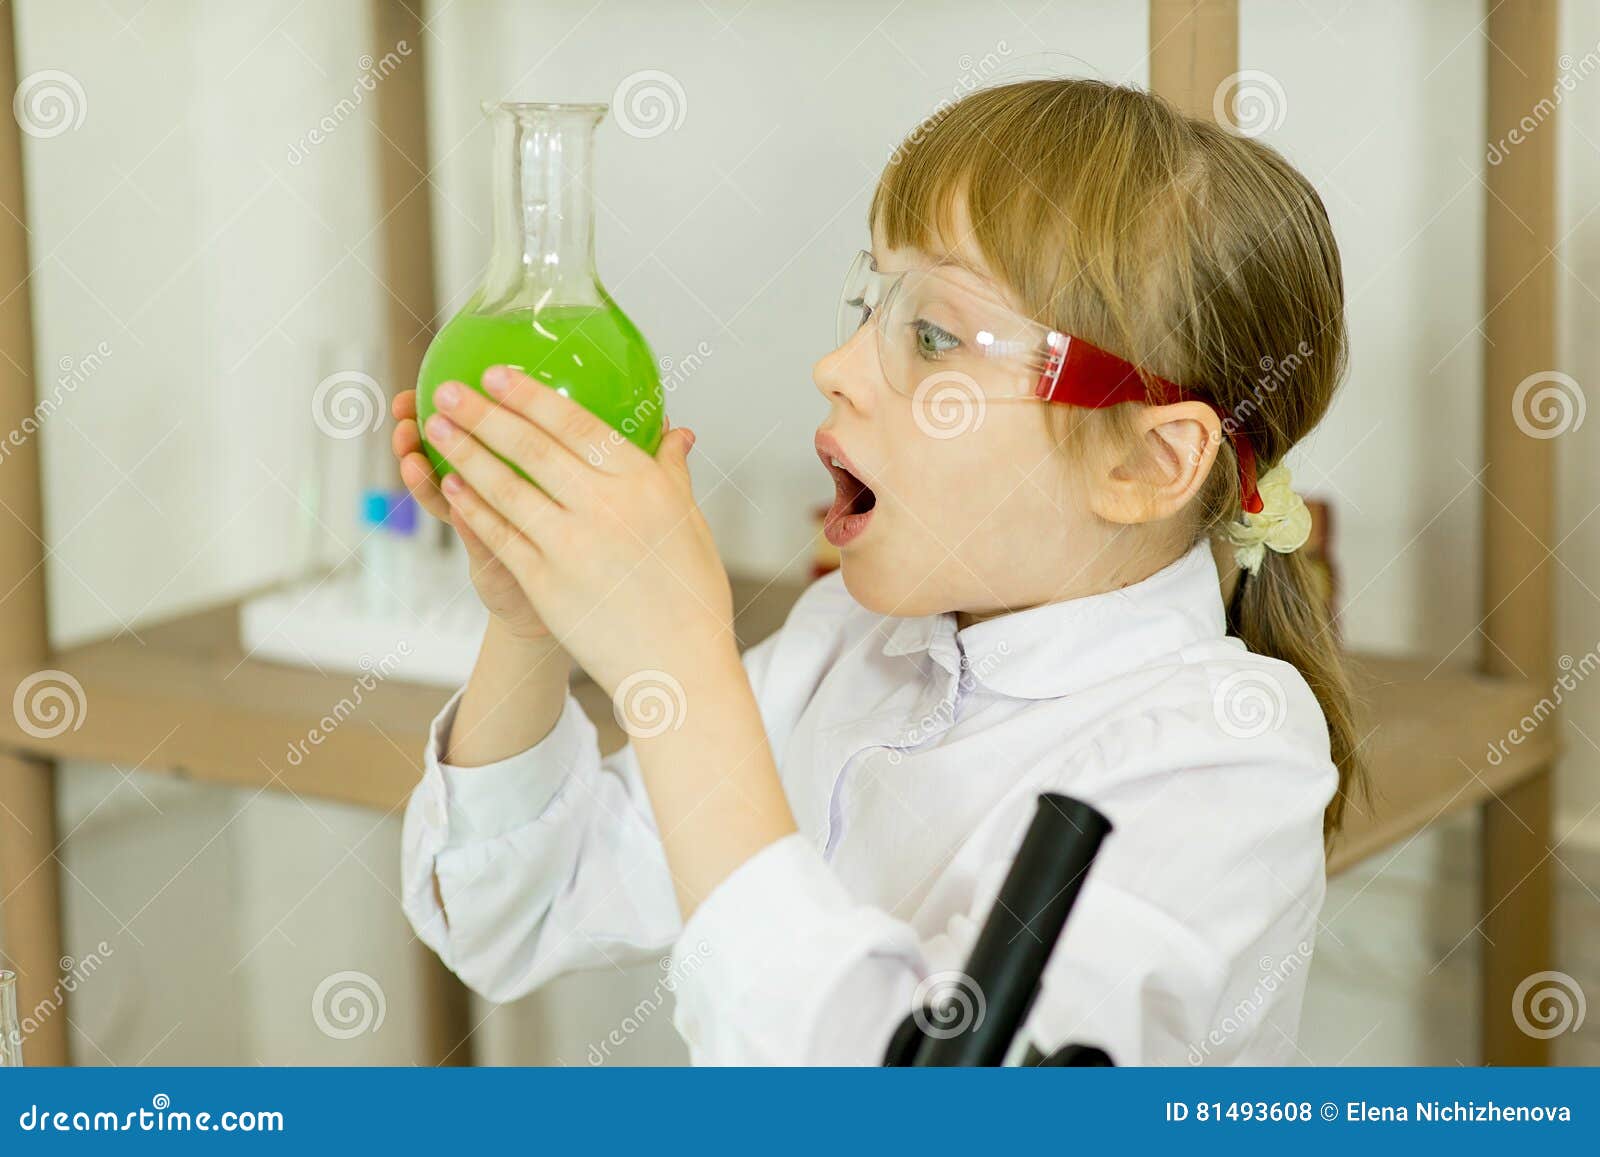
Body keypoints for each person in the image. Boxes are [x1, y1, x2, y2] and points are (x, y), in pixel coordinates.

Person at [392, 77, 1363, 1065]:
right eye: (868, 301)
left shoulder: (1225, 756)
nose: (836, 365)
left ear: (1144, 462)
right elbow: (509, 913)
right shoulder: (846, 642)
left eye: (933, 334)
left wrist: (683, 672)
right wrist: (530, 623)